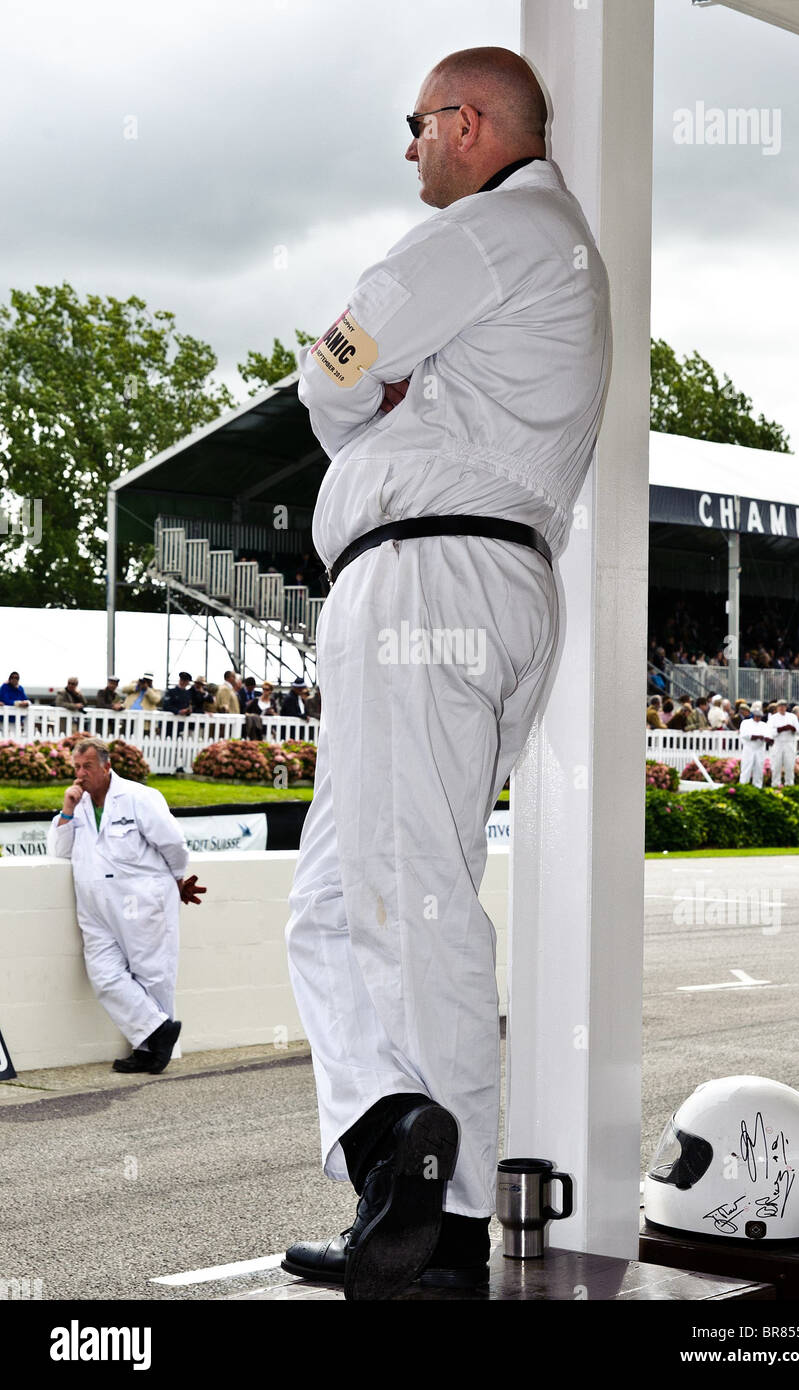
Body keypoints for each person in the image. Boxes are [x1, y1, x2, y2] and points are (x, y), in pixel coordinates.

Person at [281, 46, 612, 1301]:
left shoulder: (487, 230)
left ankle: (444, 1220)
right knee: (338, 901)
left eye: (417, 126)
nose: (410, 147)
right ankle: (395, 1167)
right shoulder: (540, 246)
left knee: (410, 894)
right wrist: (400, 395)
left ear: (468, 123)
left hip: (428, 578)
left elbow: (330, 363)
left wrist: (369, 407)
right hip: (468, 579)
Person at [46, 737, 207, 1073]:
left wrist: (177, 879)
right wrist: (67, 809)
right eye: (76, 767)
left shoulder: (139, 797)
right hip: (94, 908)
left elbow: (173, 844)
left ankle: (150, 1051)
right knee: (104, 975)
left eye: (87, 766)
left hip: (142, 899)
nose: (80, 774)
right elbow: (59, 850)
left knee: (152, 974)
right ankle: (159, 1031)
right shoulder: (79, 804)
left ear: (106, 766)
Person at [766, 696, 799, 788]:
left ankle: (789, 784)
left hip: (789, 743)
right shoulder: (773, 718)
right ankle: (775, 785)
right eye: (780, 706)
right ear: (777, 707)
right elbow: (769, 732)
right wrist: (780, 729)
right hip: (778, 743)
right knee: (776, 765)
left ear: (786, 707)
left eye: (784, 706)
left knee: (789, 765)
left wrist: (793, 728)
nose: (782, 708)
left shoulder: (792, 717)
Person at [738, 701, 773, 787]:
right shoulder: (746, 723)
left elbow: (768, 737)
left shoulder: (764, 725)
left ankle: (758, 787)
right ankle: (743, 786)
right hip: (749, 748)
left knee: (759, 769)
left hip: (760, 748)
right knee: (746, 768)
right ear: (753, 715)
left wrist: (766, 738)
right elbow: (745, 735)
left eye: (759, 716)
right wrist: (758, 737)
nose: (758, 718)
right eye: (756, 716)